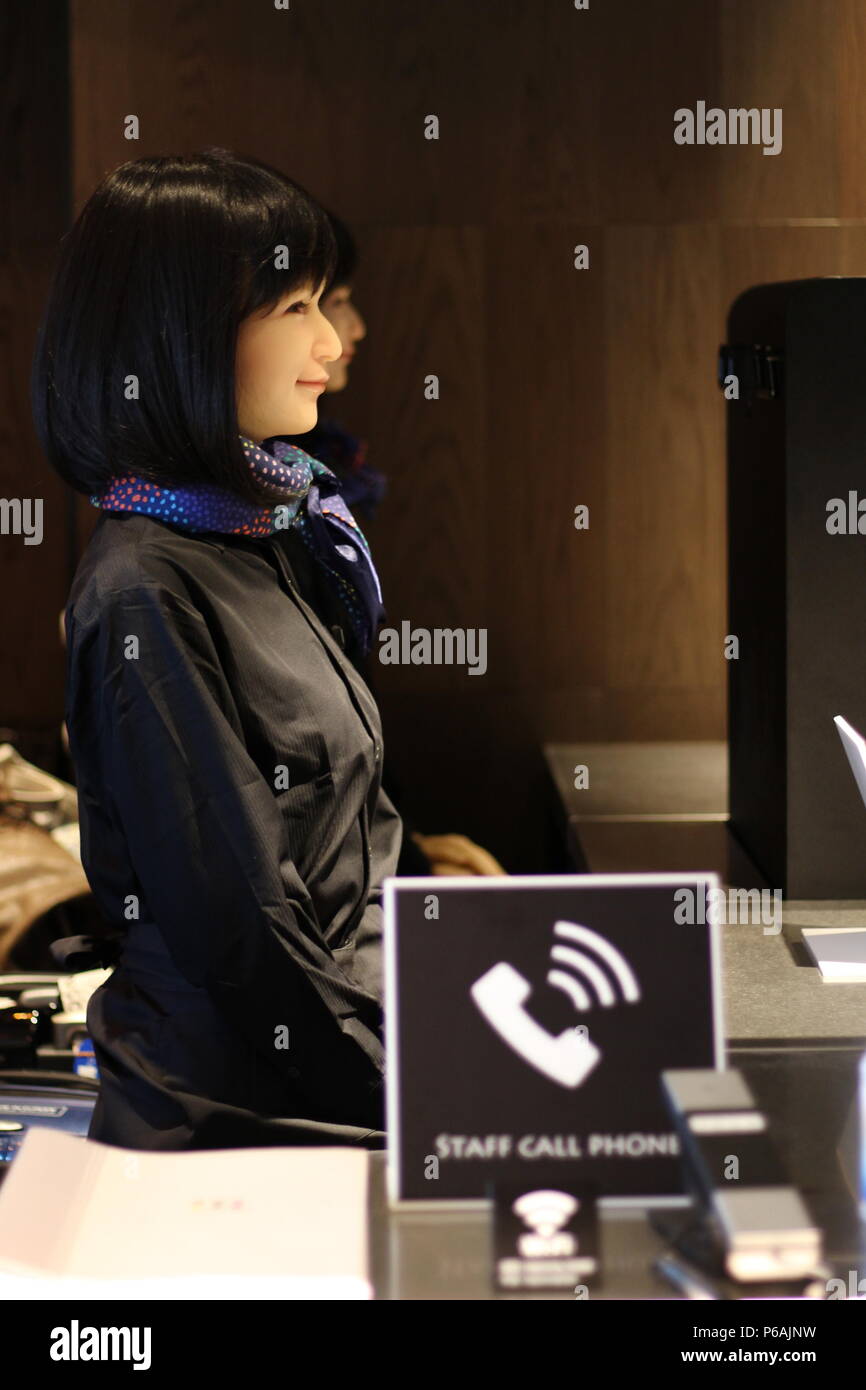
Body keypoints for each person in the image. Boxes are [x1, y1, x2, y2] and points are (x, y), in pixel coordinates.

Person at [31, 148, 401, 1150]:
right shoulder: (146, 585)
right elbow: (241, 934)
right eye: (294, 308)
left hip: (336, 1074)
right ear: (182, 337)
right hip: (248, 1121)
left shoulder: (258, 533)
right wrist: (423, 1099)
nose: (330, 338)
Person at [278, 209, 507, 878]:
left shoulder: (310, 485)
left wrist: (407, 851)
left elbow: (347, 713)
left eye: (335, 302)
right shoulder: (223, 528)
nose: (341, 334)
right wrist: (405, 872)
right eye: (314, 305)